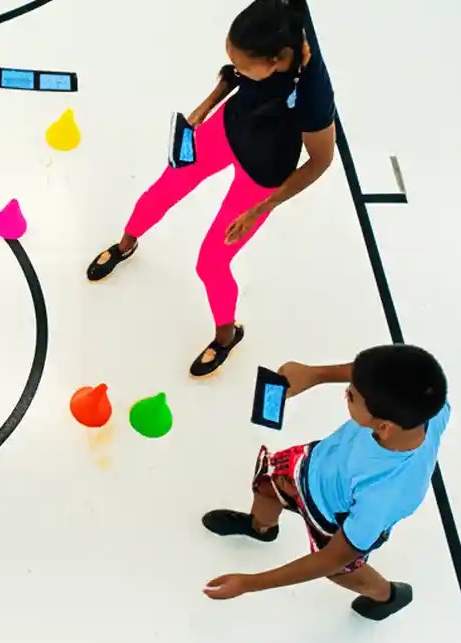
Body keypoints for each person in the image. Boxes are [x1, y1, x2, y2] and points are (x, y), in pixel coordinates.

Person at [86, 0, 335, 376]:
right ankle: (126, 245)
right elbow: (232, 77)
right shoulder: (277, 24)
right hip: (226, 129)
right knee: (161, 191)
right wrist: (203, 108)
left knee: (212, 261)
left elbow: (320, 162)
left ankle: (225, 336)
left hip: (263, 175)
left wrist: (260, 208)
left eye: (244, 65)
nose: (236, 68)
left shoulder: (313, 93)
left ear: (276, 62)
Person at [201, 345, 449, 621]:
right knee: (266, 486)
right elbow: (371, 373)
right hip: (313, 465)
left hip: (332, 519)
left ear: (384, 426)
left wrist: (249, 583)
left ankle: (387, 595)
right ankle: (261, 529)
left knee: (340, 573)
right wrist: (315, 375)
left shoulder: (383, 495)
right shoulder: (428, 404)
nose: (346, 392)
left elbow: (332, 558)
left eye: (351, 395)